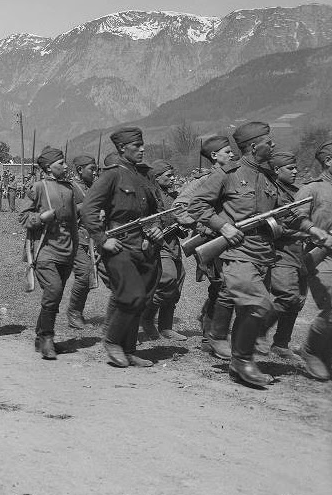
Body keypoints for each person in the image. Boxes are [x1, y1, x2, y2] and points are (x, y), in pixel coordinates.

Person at [186, 122, 332, 388]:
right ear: (254, 146)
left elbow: (287, 212)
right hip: (236, 251)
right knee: (258, 305)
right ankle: (242, 361)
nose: (273, 144)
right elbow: (197, 204)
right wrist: (223, 226)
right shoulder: (227, 173)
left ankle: (239, 361)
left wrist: (313, 230)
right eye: (269, 141)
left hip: (262, 254)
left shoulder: (268, 176)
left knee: (248, 310)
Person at [79, 127, 164, 368]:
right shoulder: (112, 175)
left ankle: (129, 350)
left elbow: (156, 210)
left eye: (142, 144)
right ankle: (113, 340)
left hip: (144, 245)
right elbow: (88, 209)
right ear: (121, 149)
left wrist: (157, 226)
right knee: (131, 295)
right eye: (136, 146)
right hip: (118, 245)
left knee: (142, 299)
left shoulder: (144, 175)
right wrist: (101, 238)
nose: (142, 149)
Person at [173, 134, 235, 353]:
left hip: (232, 241)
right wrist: (204, 226)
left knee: (227, 288)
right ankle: (210, 338)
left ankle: (216, 334)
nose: (232, 154)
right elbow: (179, 208)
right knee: (220, 288)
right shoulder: (204, 180)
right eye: (227, 152)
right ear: (214, 155)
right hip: (213, 241)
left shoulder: (234, 176)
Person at [19, 146, 81, 360]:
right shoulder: (38, 187)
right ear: (47, 167)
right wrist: (42, 218)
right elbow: (23, 217)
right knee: (53, 291)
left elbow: (74, 221)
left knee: (53, 296)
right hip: (44, 250)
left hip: (67, 250)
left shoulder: (69, 188)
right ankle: (46, 337)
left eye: (65, 162)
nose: (65, 166)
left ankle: (41, 339)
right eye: (60, 163)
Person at [293, 140, 332, 380]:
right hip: (322, 256)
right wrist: (316, 231)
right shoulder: (312, 189)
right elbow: (293, 219)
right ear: (328, 161)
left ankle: (325, 357)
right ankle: (310, 351)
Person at [258, 151, 307, 359]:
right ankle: (255, 334)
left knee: (298, 300)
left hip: (298, 252)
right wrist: (303, 231)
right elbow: (273, 227)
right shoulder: (270, 192)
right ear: (277, 170)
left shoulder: (295, 192)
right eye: (290, 168)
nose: (295, 171)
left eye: (296, 167)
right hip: (280, 252)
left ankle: (281, 343)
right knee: (287, 296)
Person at [142, 160, 187, 341]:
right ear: (156, 177)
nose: (172, 178)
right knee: (168, 278)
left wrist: (181, 227)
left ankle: (166, 327)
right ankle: (146, 318)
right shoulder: (150, 196)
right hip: (158, 245)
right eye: (168, 175)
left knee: (177, 283)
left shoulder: (175, 195)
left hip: (173, 244)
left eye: (172, 174)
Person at [65, 154, 98, 329]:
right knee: (84, 274)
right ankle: (74, 313)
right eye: (92, 169)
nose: (95, 172)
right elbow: (62, 211)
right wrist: (83, 208)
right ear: (80, 170)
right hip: (75, 237)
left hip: (95, 238)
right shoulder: (70, 187)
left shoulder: (95, 186)